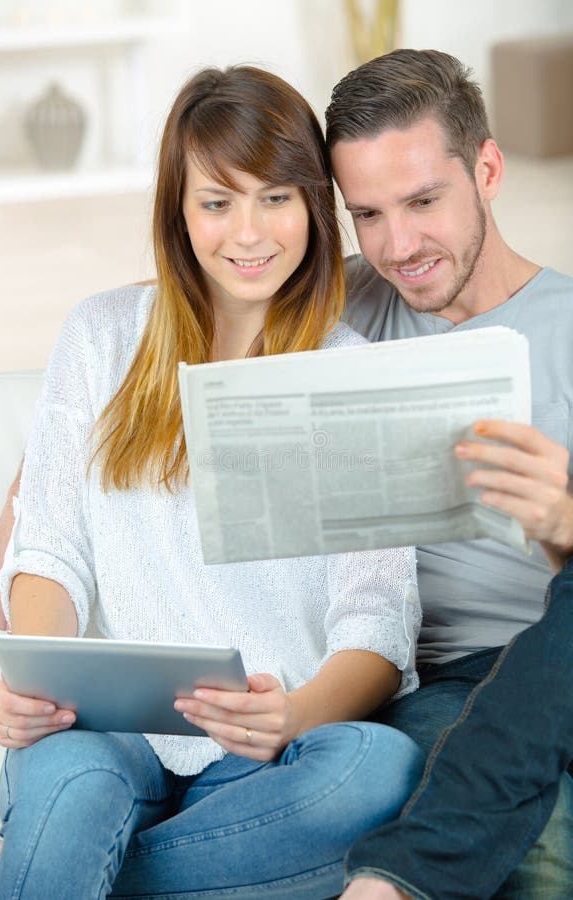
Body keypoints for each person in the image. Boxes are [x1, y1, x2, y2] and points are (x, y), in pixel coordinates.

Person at [0, 65, 425, 899]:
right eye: (216, 202)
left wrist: (294, 715)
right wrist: (41, 685)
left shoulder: (353, 376)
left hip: (270, 752)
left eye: (276, 198)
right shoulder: (103, 335)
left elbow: (377, 614)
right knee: (69, 788)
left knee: (380, 771)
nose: (247, 233)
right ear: (179, 216)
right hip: (108, 736)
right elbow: (48, 548)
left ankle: (14, 872)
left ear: (313, 208)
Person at [324, 48, 573, 897]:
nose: (400, 246)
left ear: (489, 169)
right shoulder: (339, 307)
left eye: (424, 201)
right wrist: (28, 490)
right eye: (368, 214)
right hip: (442, 674)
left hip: (557, 650)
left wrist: (563, 526)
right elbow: (157, 320)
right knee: (539, 854)